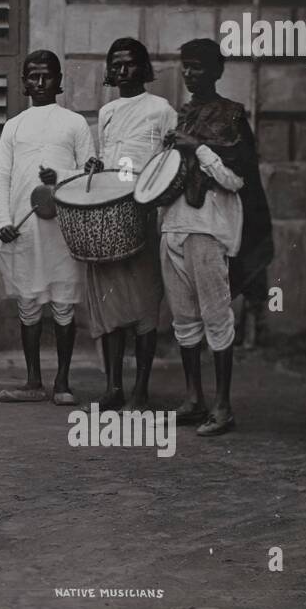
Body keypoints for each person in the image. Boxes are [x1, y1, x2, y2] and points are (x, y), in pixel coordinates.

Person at [160, 38, 271, 437]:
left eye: (198, 67)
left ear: (217, 71)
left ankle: (223, 406)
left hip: (208, 228)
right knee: (184, 320)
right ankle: (194, 400)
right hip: (173, 225)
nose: (190, 74)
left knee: (216, 316)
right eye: (185, 66)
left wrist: (199, 149)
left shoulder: (232, 116)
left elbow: (237, 178)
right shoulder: (182, 115)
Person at [81, 38, 178, 411]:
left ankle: (141, 388)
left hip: (143, 210)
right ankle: (113, 386)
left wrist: (152, 198)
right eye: (116, 65)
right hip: (108, 213)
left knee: (143, 304)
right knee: (111, 306)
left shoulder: (161, 109)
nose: (123, 71)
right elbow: (105, 158)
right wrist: (94, 167)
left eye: (130, 64)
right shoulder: (107, 112)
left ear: (144, 68)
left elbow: (169, 160)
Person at [0, 50, 94, 404]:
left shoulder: (75, 123)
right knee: (29, 302)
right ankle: (33, 381)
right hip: (23, 229)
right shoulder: (14, 126)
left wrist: (62, 178)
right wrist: (4, 220)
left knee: (63, 304)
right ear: (23, 82)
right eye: (32, 76)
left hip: (63, 231)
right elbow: (0, 178)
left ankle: (62, 382)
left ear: (59, 81)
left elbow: (90, 177)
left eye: (46, 76)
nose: (39, 83)